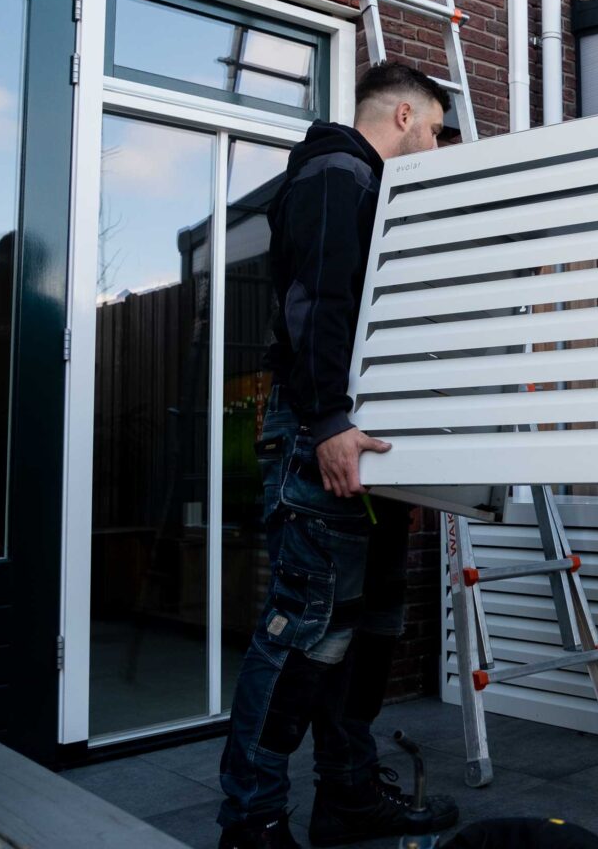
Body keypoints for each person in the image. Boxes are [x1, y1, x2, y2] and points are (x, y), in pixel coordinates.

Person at [218, 62, 460, 849]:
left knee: (365, 630)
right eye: (430, 131)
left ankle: (347, 796)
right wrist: (327, 422)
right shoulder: (336, 174)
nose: (432, 147)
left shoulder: (369, 190)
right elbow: (316, 303)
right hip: (326, 437)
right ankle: (250, 821)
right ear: (401, 115)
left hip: (367, 445)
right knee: (306, 631)